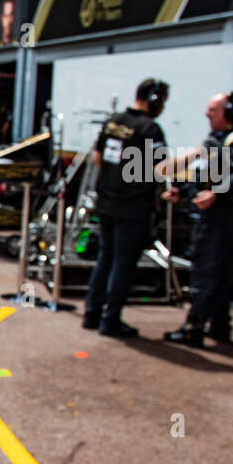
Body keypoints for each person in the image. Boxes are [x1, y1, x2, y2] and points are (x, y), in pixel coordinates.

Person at [157, 90, 233, 347]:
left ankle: (194, 328)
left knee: (205, 272)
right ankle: (220, 325)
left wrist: (215, 194)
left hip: (222, 219)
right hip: (210, 216)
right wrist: (182, 190)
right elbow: (203, 175)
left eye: (212, 110)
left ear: (229, 112)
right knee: (218, 274)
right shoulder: (215, 140)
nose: (206, 114)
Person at [82, 78, 169, 337]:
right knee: (123, 263)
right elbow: (160, 169)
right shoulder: (150, 129)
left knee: (105, 258)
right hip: (132, 207)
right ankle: (111, 319)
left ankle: (92, 313)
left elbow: (97, 158)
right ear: (153, 99)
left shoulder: (114, 121)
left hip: (106, 201)